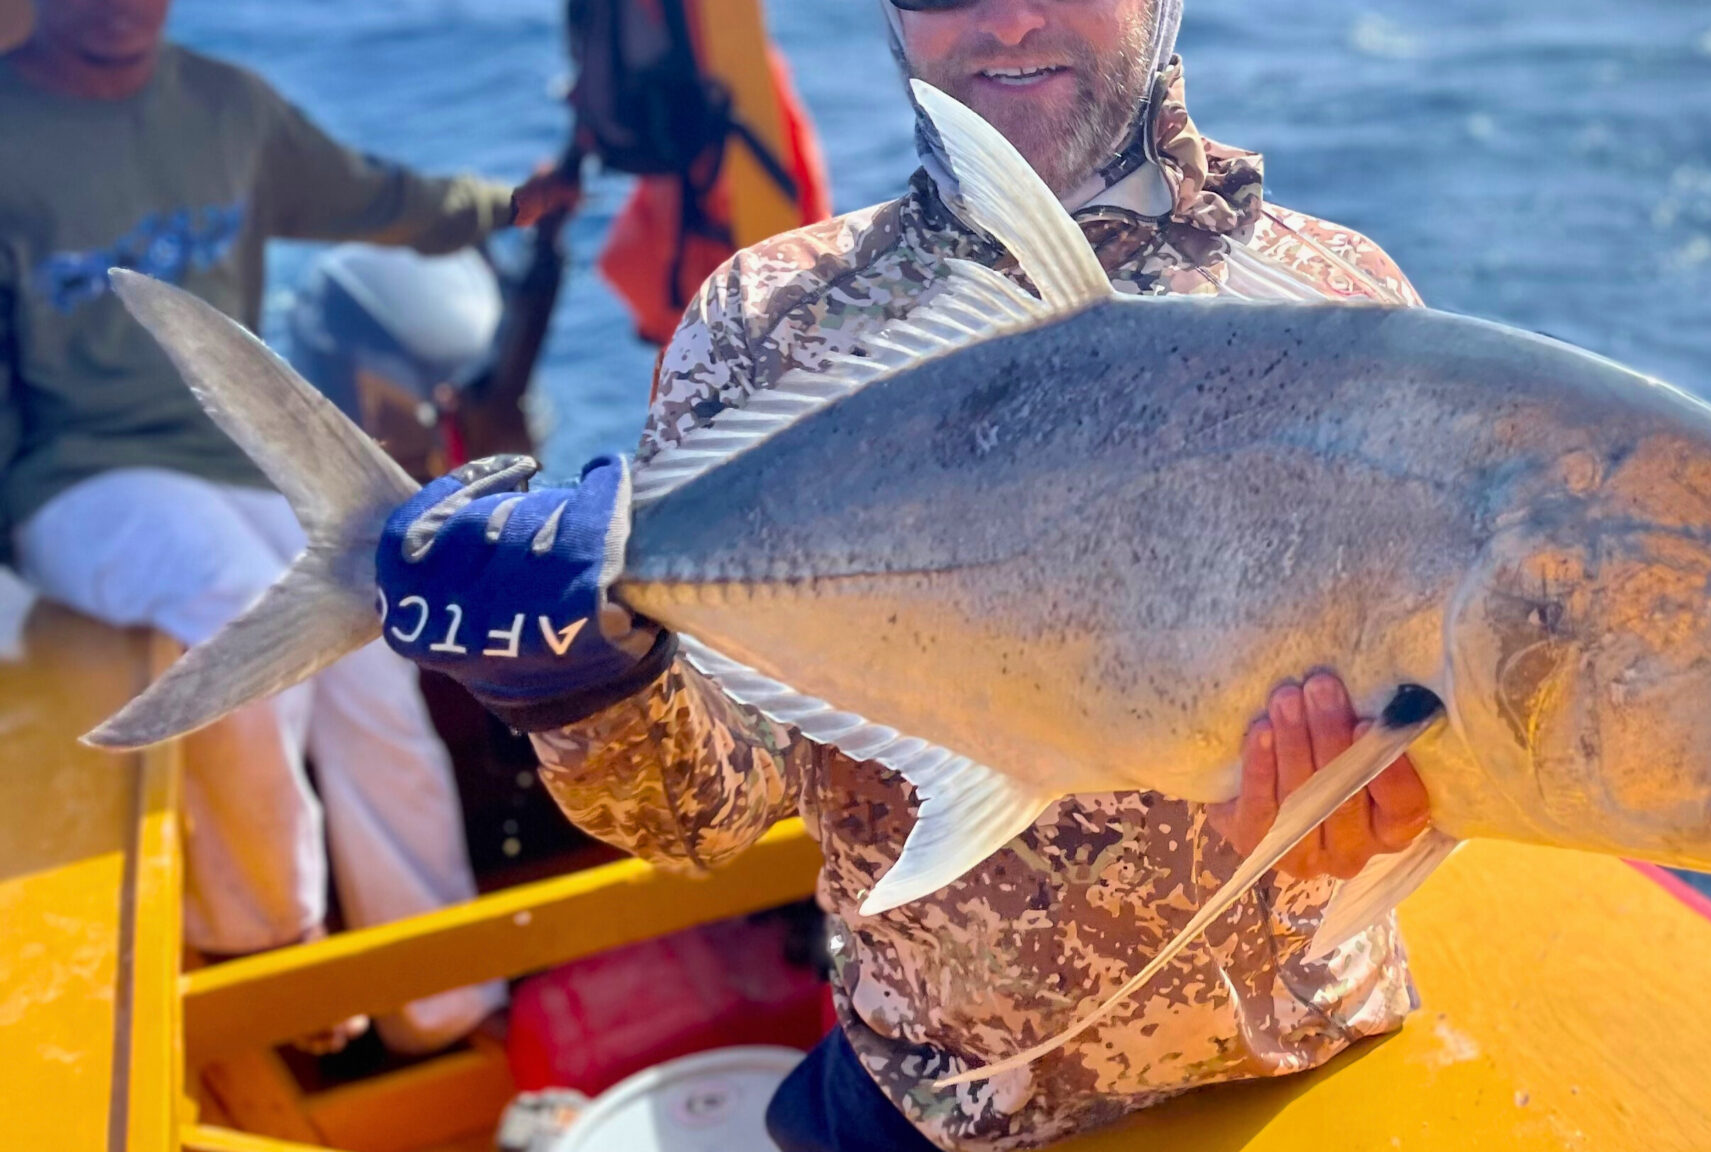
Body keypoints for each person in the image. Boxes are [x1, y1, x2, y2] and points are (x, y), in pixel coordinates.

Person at [379, 0, 1433, 1144]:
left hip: (1314, 1082)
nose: (1007, 18)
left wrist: (1411, 801)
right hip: (946, 1116)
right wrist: (584, 685)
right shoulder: (771, 327)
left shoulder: (1345, 303)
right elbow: (701, 817)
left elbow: (1465, 703)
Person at [0, 0, 572, 1053]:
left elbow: (376, 196)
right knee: (229, 597)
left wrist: (507, 205)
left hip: (232, 461)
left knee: (379, 641)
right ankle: (265, 940)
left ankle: (441, 1001)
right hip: (74, 478)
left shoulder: (226, 107)